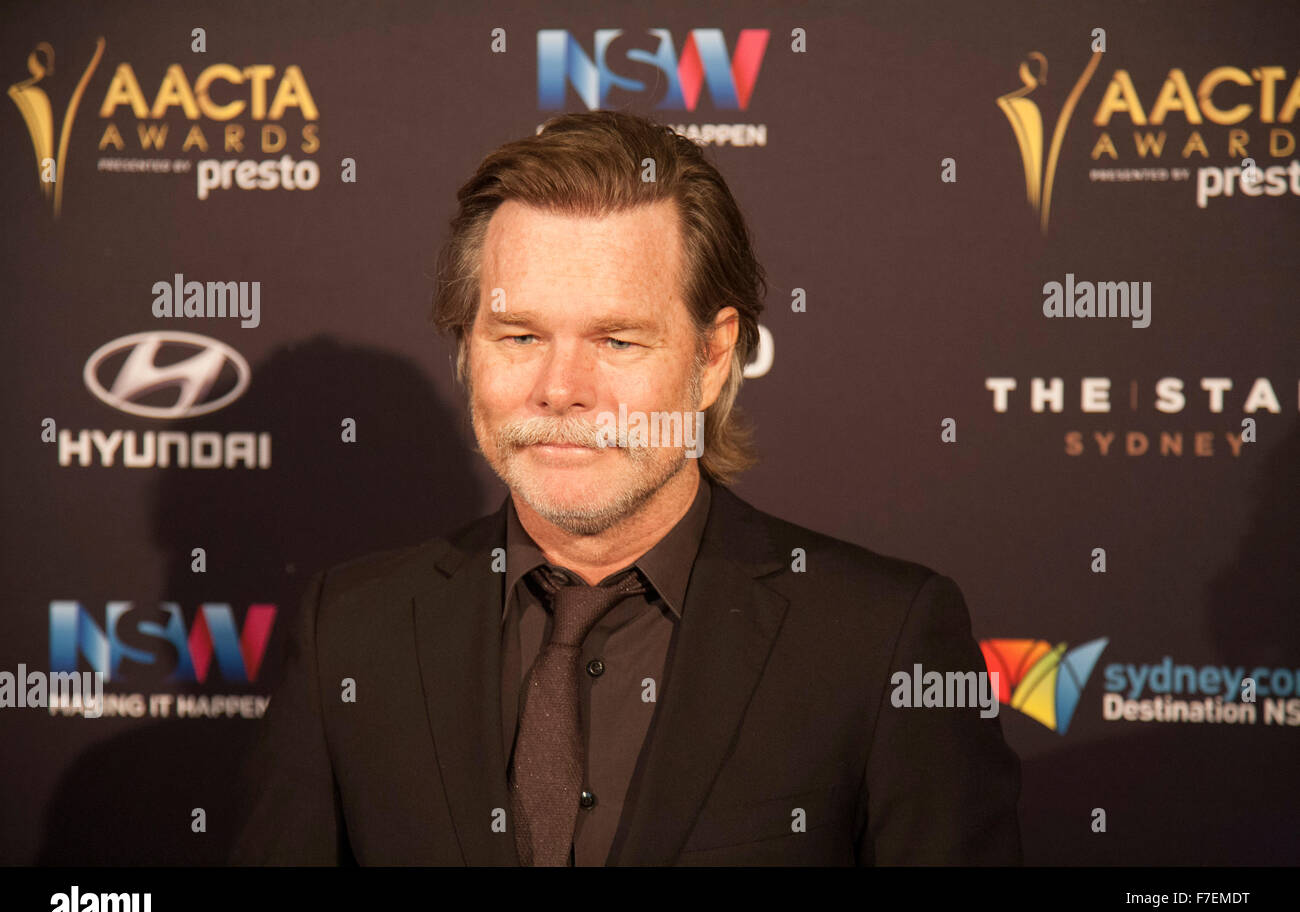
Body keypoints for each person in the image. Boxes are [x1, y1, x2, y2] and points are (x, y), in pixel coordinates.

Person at [230, 110, 1021, 866]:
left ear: (712, 357)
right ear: (467, 348)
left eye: (616, 339)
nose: (561, 388)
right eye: (520, 335)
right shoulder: (353, 631)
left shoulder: (879, 641)